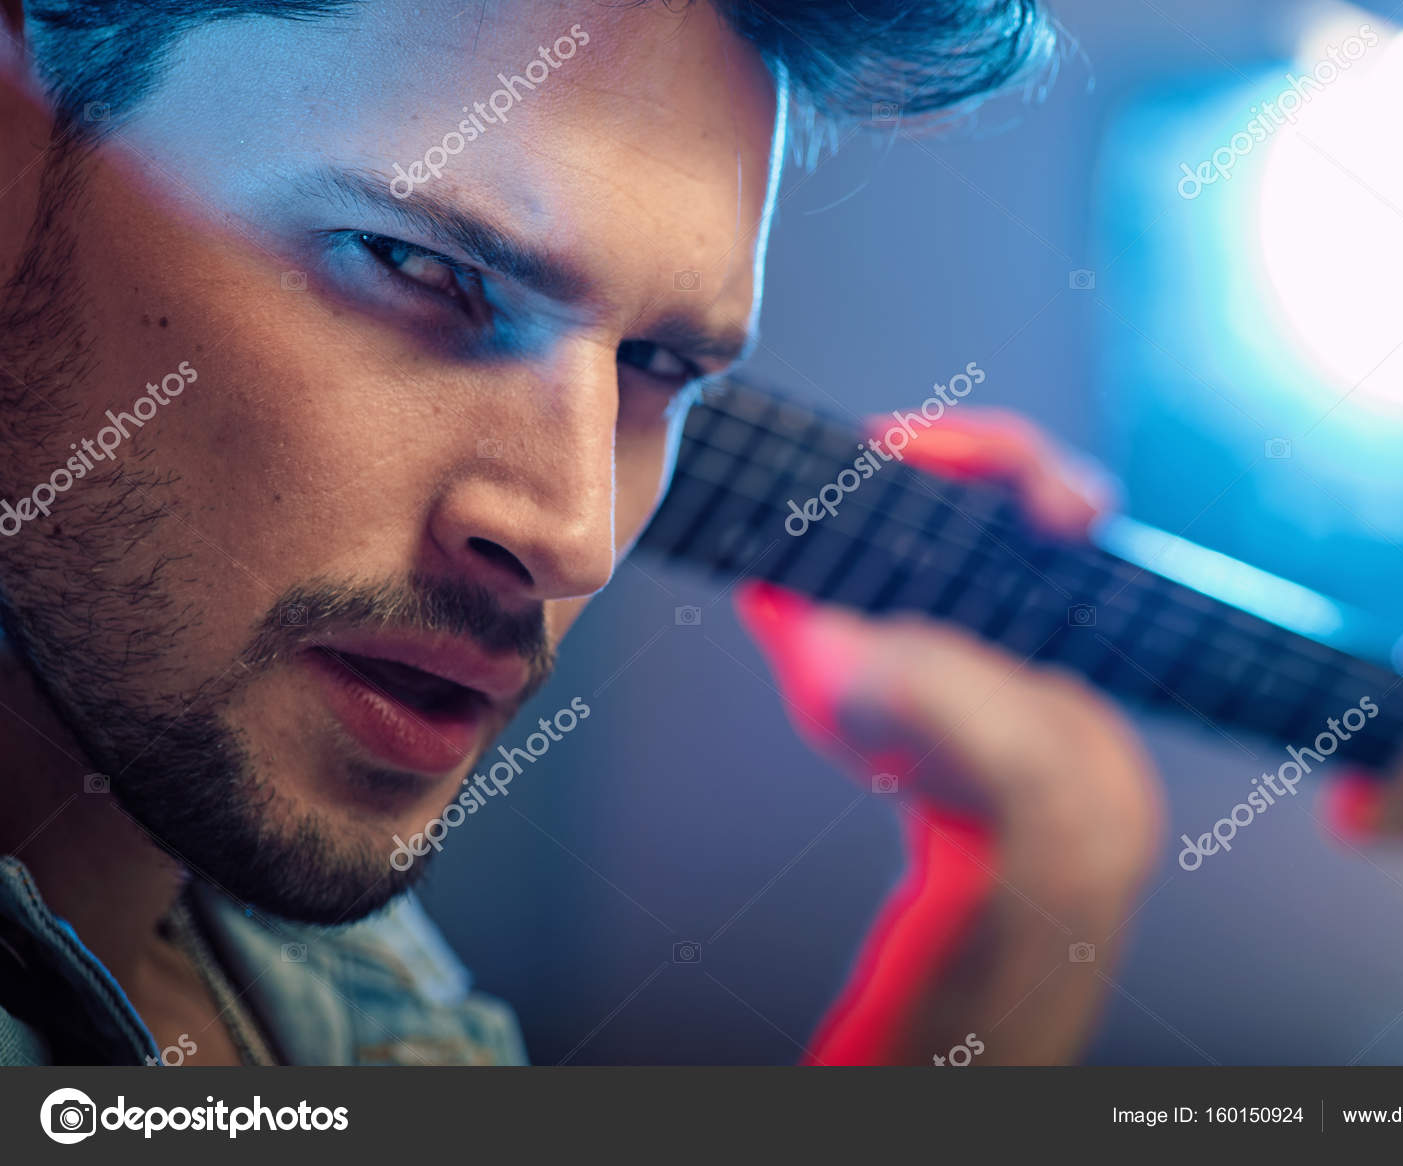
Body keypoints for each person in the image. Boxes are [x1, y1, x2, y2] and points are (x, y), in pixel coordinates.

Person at [0, 0, 1167, 1066]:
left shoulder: (333, 996)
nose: (575, 534)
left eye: (658, 365)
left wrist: (1043, 854)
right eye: (419, 266)